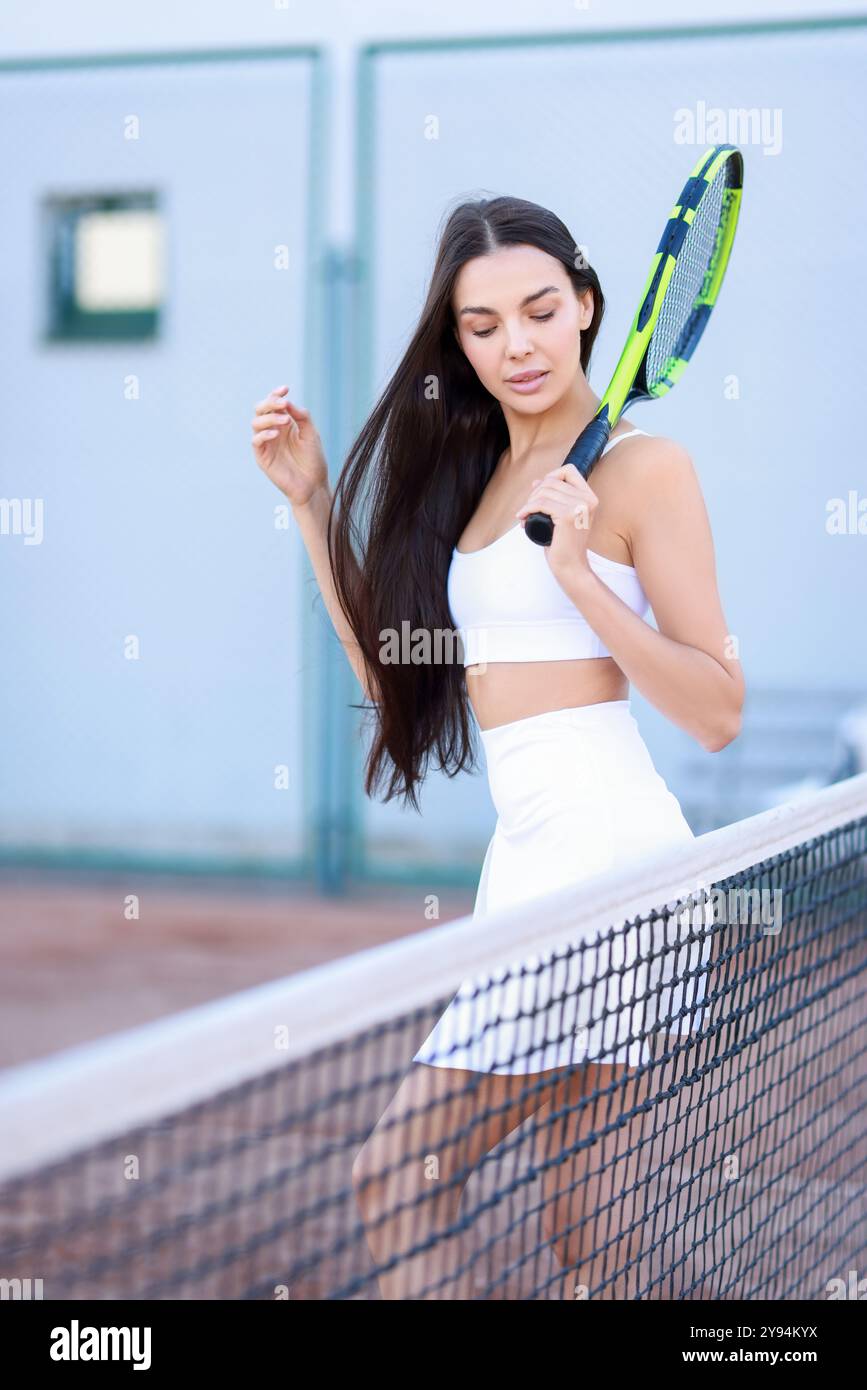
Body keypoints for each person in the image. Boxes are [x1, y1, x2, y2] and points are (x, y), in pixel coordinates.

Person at [251, 195, 745, 1298]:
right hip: (526, 865)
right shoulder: (474, 487)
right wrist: (311, 503)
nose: (514, 344)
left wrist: (580, 578)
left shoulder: (646, 469)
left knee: (399, 1179)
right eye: (481, 325)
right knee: (587, 1241)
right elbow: (398, 675)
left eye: (537, 310)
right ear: (455, 341)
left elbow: (716, 705)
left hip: (612, 867)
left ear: (587, 306)